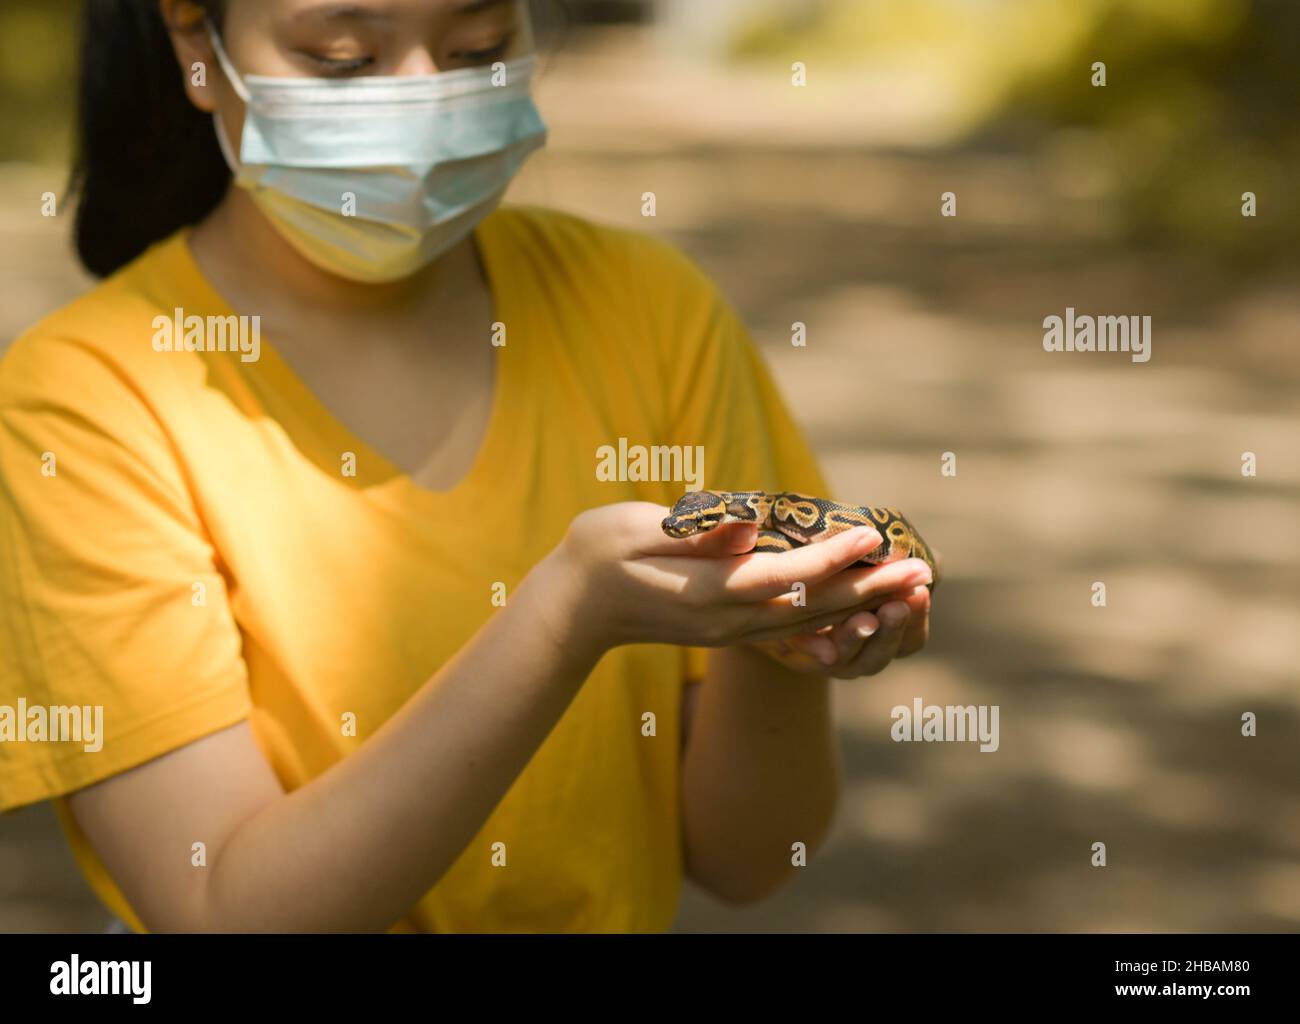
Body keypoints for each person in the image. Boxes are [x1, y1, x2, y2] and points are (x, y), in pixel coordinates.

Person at [0, 0, 934, 933]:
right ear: (197, 43)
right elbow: (223, 911)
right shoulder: (79, 402)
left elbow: (750, 859)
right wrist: (563, 618)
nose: (424, 97)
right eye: (342, 57)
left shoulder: (656, 314)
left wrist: (782, 633)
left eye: (476, 47)